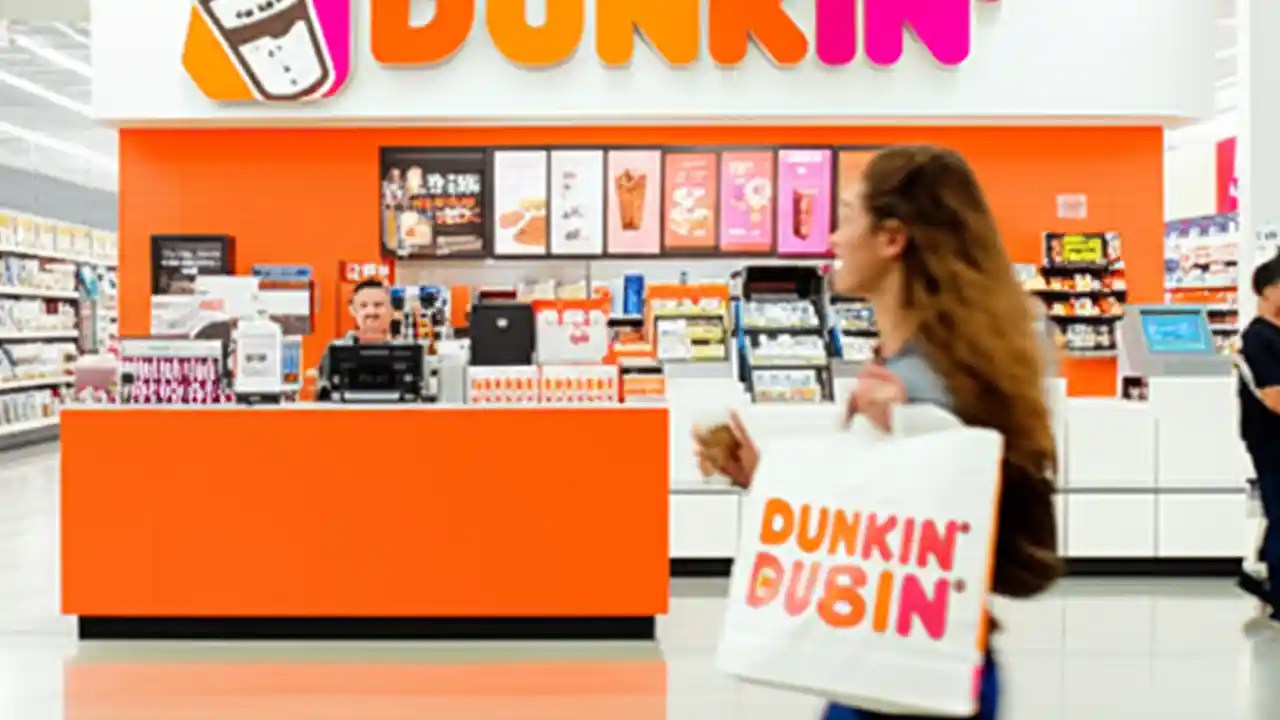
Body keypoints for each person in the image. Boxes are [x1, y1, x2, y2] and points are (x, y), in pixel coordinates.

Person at [695, 145, 1061, 720]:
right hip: (901, 657)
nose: (832, 240)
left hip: (908, 672)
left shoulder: (921, 383)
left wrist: (917, 429)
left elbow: (967, 529)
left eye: (844, 218)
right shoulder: (926, 362)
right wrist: (766, 479)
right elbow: (882, 527)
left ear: (892, 238)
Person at [1237, 257, 1280, 619]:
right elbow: (1274, 398)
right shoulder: (1258, 338)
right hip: (1271, 441)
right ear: (1267, 291)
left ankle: (1261, 578)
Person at [315, 279, 394, 399]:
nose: (371, 311)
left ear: (391, 310)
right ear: (352, 310)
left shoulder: (411, 349)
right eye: (363, 306)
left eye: (378, 305)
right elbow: (323, 392)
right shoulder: (335, 349)